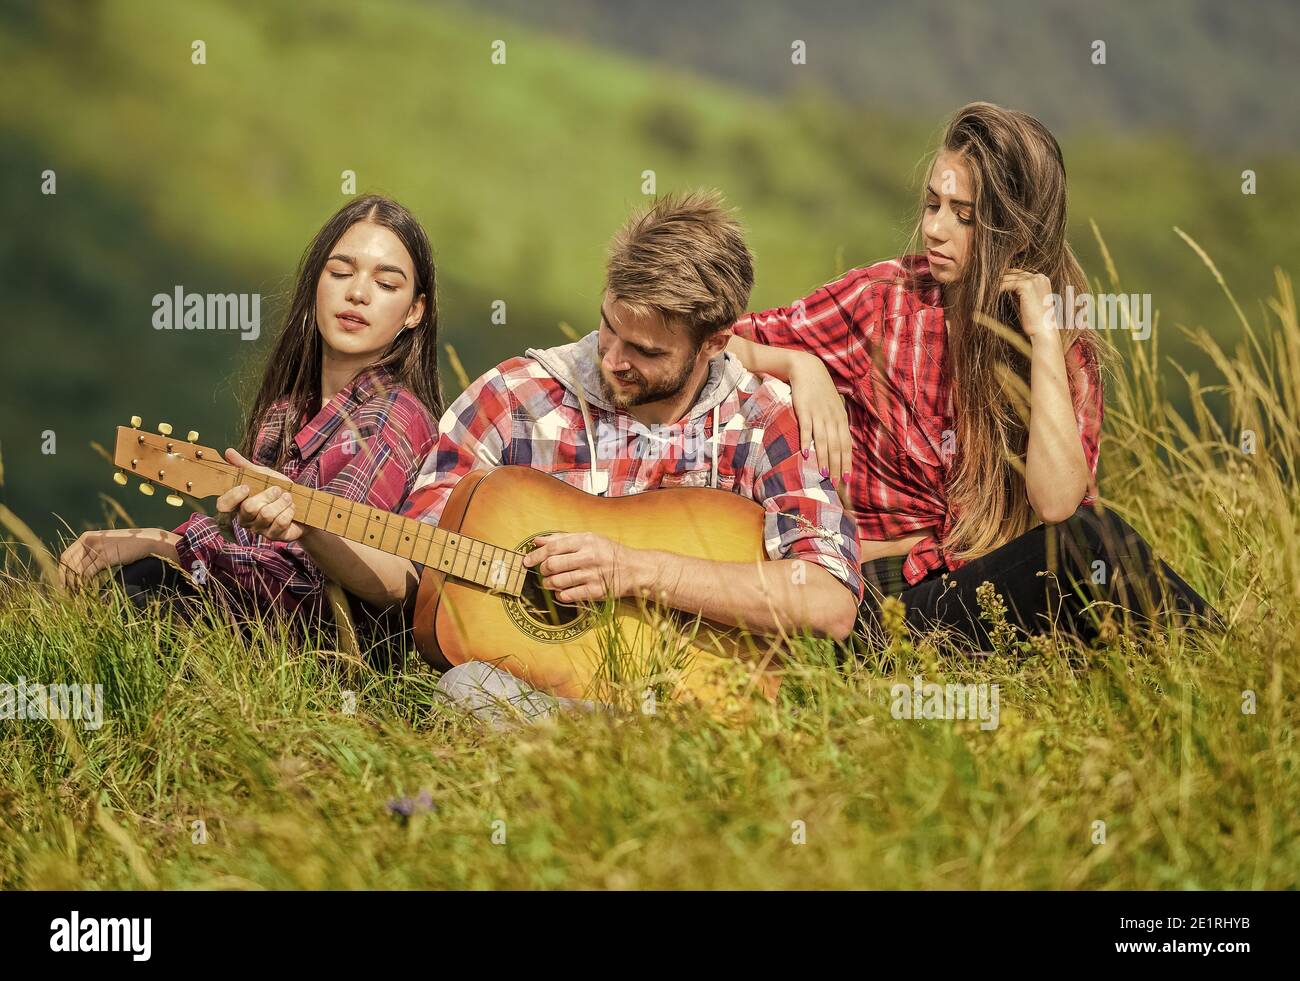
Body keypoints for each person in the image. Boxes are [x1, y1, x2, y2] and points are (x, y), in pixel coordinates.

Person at [222, 190, 864, 721]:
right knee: (465, 694)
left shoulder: (763, 421)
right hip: (536, 706)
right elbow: (411, 570)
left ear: (714, 344)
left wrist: (637, 571)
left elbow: (830, 601)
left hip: (699, 714)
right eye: (609, 325)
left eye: (644, 351)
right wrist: (311, 526)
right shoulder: (515, 396)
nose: (613, 359)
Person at [725, 102, 1220, 647]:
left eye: (963, 216)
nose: (935, 229)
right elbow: (716, 342)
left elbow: (1056, 504)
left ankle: (1222, 680)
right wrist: (801, 364)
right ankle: (1233, 668)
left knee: (1087, 553)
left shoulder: (1059, 346)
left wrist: (1042, 338)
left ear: (1017, 234)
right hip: (871, 606)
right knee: (1092, 546)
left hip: (973, 596)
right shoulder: (882, 301)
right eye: (933, 204)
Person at [59, 194, 442, 638]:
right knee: (132, 581)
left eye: (387, 284)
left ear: (415, 311)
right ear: (314, 283)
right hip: (260, 617)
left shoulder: (392, 416)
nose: (357, 293)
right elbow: (249, 553)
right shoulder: (286, 412)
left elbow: (319, 590)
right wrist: (166, 544)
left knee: (143, 588)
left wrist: (173, 549)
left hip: (321, 657)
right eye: (340, 272)